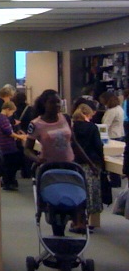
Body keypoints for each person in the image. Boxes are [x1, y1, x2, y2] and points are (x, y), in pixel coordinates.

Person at [23, 89, 94, 236]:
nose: (57, 105)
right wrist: (37, 159)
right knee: (55, 202)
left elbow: (74, 143)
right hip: (49, 168)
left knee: (77, 194)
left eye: (58, 102)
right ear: (44, 103)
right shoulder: (36, 124)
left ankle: (79, 221)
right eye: (53, 102)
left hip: (69, 165)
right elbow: (27, 149)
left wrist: (90, 163)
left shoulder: (65, 118)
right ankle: (57, 231)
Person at [70, 104, 104, 233]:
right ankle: (85, 222)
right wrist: (101, 163)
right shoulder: (92, 128)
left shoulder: (71, 128)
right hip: (90, 164)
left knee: (76, 193)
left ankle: (76, 221)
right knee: (90, 194)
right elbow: (98, 145)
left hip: (75, 164)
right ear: (87, 114)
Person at [0, 100, 27, 191]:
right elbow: (9, 132)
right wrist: (21, 137)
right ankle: (8, 182)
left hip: (3, 145)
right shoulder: (4, 119)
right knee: (11, 165)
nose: (12, 114)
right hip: (8, 145)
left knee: (7, 165)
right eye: (12, 112)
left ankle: (7, 181)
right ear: (7, 109)